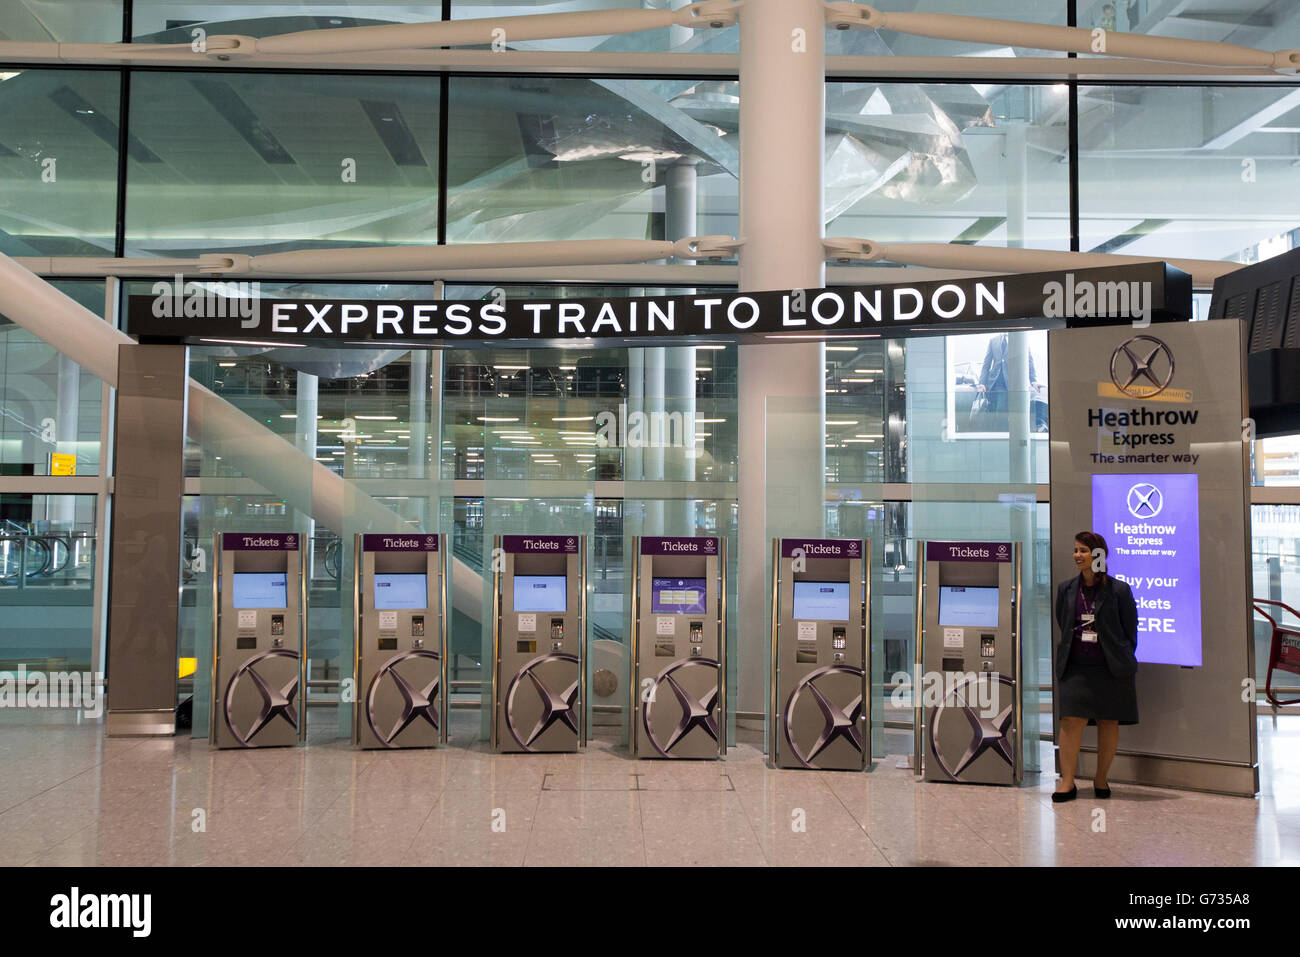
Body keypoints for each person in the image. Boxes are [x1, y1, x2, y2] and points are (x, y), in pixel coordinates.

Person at [1051, 531, 1139, 802]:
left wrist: (1118, 654)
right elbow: (1062, 622)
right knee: (1070, 721)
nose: (1077, 555)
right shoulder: (1066, 589)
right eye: (1076, 549)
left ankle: (1101, 779)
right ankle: (1067, 782)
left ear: (1098, 555)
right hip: (1076, 667)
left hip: (1109, 668)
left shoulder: (1119, 590)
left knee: (1108, 721)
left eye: (1084, 550)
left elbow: (1130, 631)